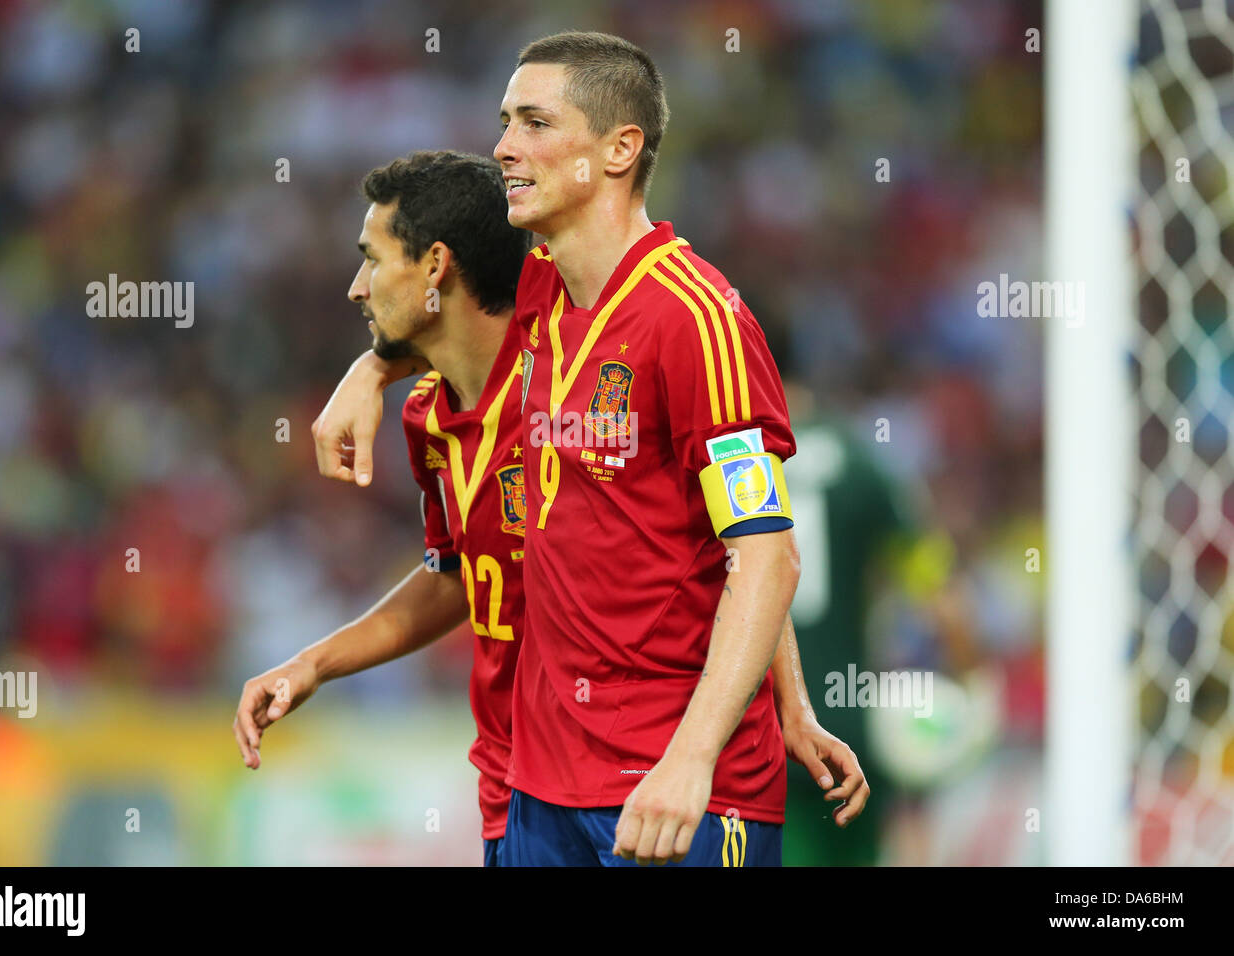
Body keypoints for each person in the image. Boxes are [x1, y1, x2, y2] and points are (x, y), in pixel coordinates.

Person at [313, 32, 870, 866]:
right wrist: (370, 370)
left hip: (676, 793)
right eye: (505, 121)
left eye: (536, 123)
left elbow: (763, 552)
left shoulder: (696, 319)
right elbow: (447, 316)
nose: (505, 146)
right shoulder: (543, 291)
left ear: (619, 149)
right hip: (543, 794)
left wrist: (693, 759)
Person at [232, 150, 533, 866]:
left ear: (435, 266)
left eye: (371, 260)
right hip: (514, 783)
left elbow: (738, 546)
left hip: (634, 778)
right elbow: (457, 575)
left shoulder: (577, 388)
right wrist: (313, 664)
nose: (356, 287)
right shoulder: (427, 417)